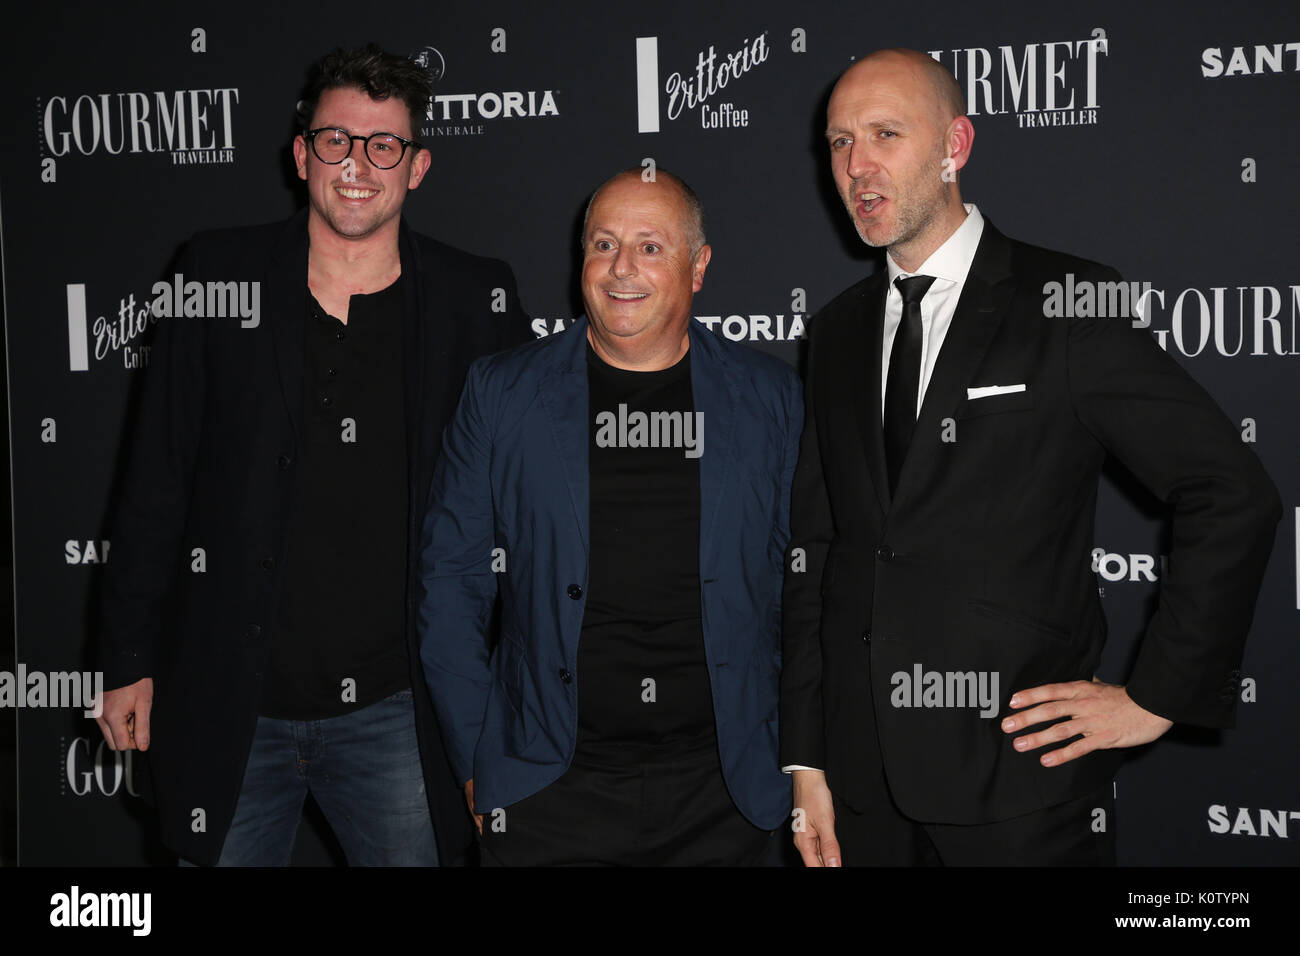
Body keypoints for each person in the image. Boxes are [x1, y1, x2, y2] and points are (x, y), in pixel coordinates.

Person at [781, 49, 1281, 866]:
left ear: (956, 145)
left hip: (1020, 791)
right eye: (838, 142)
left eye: (885, 134)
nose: (856, 166)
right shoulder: (837, 330)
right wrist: (807, 758)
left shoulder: (1069, 302)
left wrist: (1159, 696)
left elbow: (1231, 490)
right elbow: (819, 552)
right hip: (861, 792)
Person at [95, 44, 530, 866]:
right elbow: (154, 480)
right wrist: (125, 660)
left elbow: (519, 510)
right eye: (336, 141)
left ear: (418, 166)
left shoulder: (480, 300)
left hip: (401, 710)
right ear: (302, 156)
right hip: (230, 696)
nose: (357, 165)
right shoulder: (213, 275)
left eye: (383, 145)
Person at [417, 168, 801, 865]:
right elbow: (450, 583)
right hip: (548, 789)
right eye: (603, 243)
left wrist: (799, 756)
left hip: (727, 793)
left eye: (651, 247)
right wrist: (480, 759)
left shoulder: (772, 399)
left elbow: (803, 592)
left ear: (699, 267)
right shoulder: (502, 394)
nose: (622, 268)